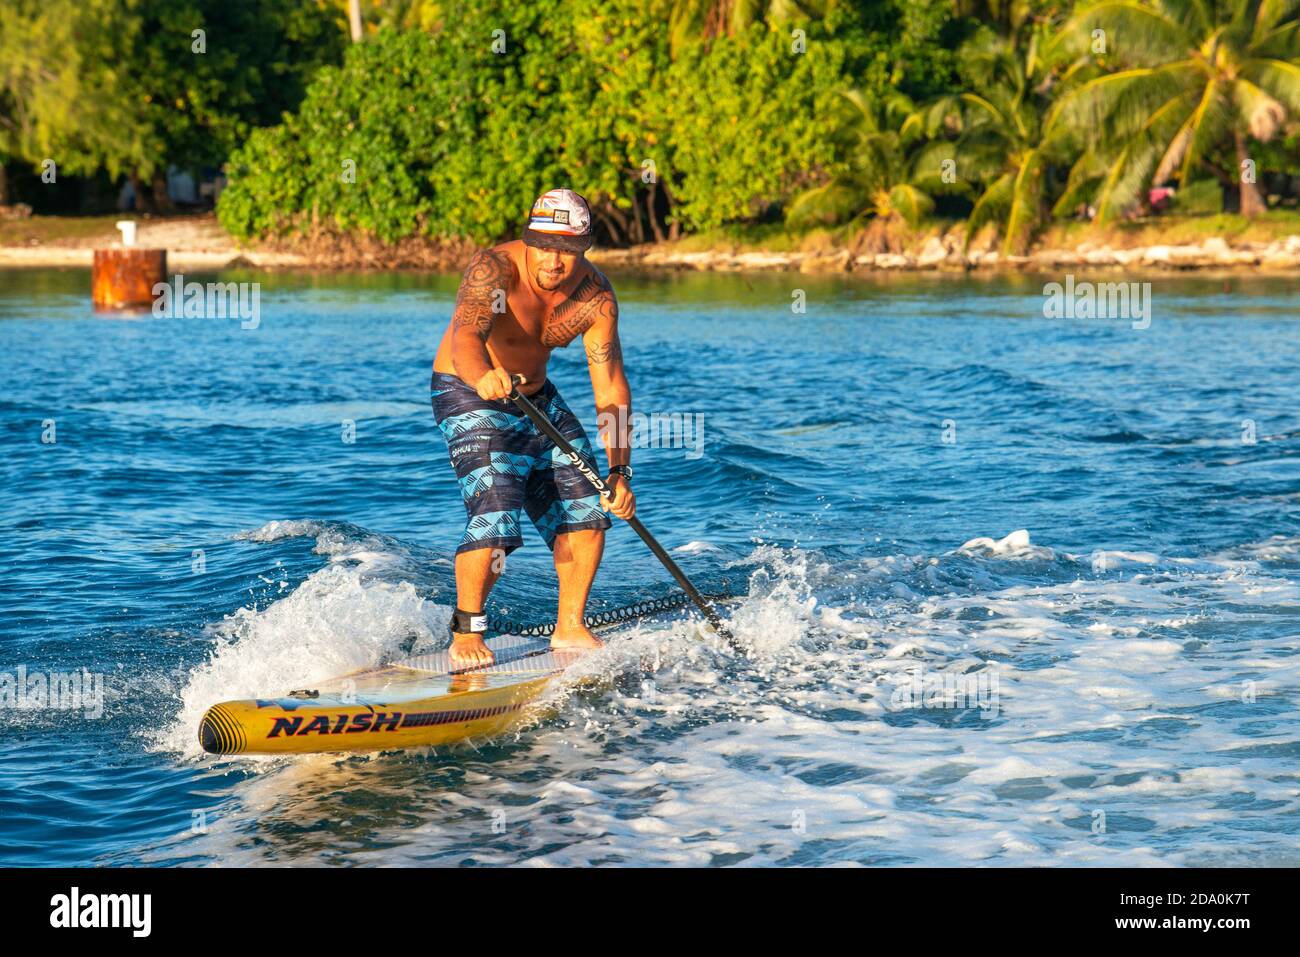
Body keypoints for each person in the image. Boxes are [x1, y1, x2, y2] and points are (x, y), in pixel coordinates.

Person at [430, 188, 635, 668]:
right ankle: (466, 632)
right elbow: (465, 335)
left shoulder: (596, 297)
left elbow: (609, 384)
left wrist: (621, 469)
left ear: (584, 248)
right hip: (467, 388)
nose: (553, 261)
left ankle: (570, 627)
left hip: (537, 396)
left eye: (566, 250)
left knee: (589, 505)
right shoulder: (494, 270)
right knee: (497, 511)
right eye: (544, 246)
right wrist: (483, 375)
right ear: (528, 239)